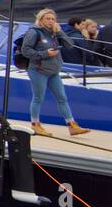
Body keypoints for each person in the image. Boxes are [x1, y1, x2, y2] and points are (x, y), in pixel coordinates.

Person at [20, 8, 90, 136]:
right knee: (38, 98)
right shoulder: (34, 33)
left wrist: (60, 32)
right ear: (40, 20)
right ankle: (35, 124)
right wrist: (44, 53)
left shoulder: (54, 33)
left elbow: (70, 45)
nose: (51, 21)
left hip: (53, 71)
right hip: (38, 70)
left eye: (53, 19)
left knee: (62, 98)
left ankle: (72, 125)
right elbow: (26, 51)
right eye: (48, 18)